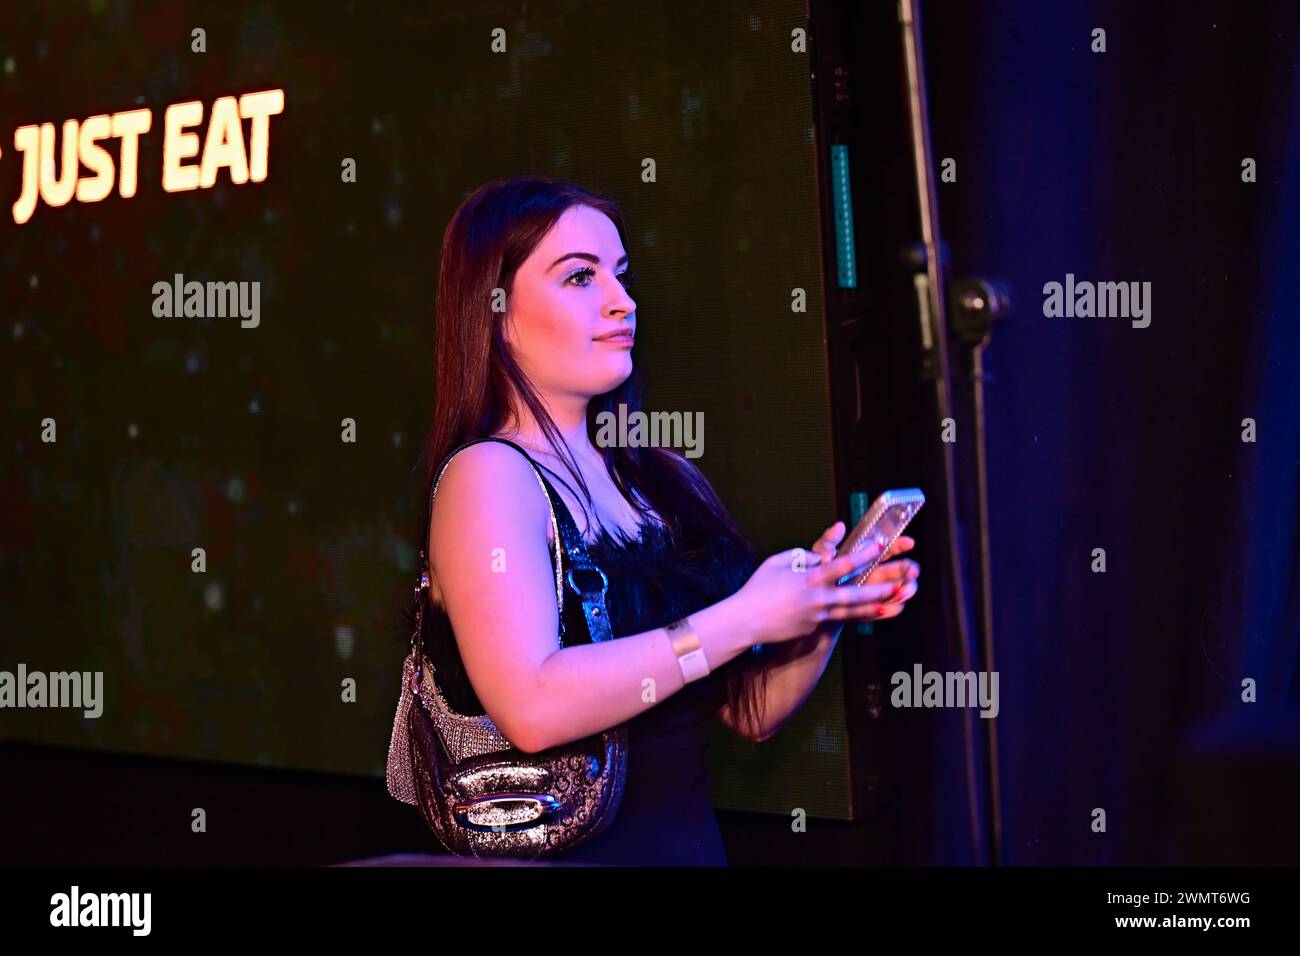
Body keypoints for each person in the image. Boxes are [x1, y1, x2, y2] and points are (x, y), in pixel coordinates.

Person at [414, 176, 920, 865]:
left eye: (620, 276)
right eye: (579, 278)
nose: (622, 302)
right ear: (495, 309)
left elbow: (751, 712)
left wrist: (819, 606)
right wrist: (744, 617)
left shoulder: (664, 478)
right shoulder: (489, 476)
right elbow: (531, 706)